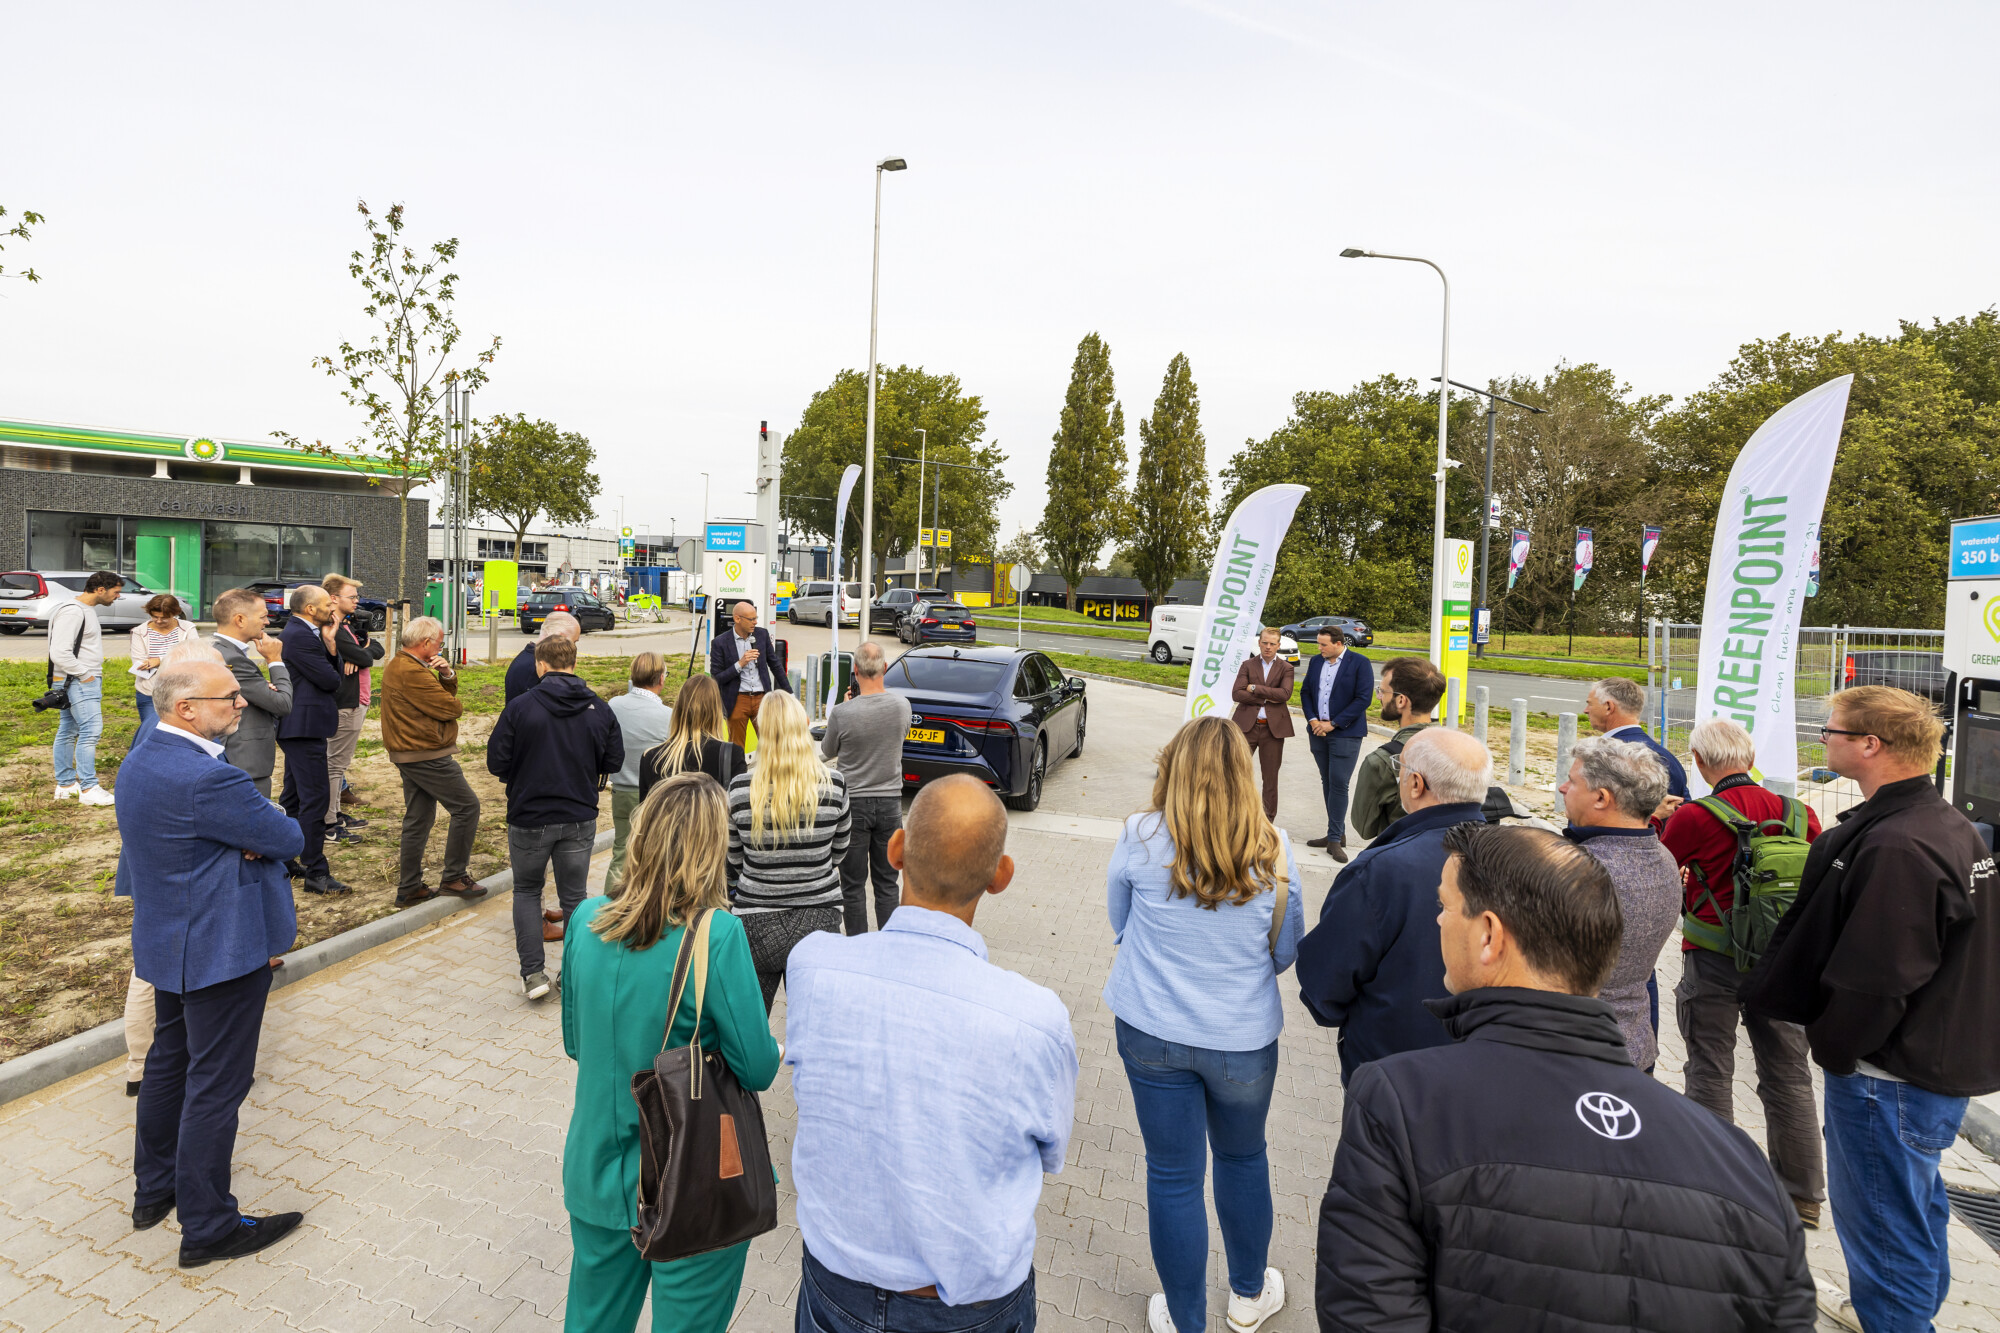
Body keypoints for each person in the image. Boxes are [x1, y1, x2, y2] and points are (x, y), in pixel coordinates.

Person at [1316, 823, 1815, 1330]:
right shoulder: (1740, 1161)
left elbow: (1367, 1312)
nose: (1439, 920)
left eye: (1445, 906)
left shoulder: (1401, 1102)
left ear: (1488, 935)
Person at [1746, 686, 2000, 1331]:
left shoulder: (1899, 846)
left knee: (1886, 1233)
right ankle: (1905, 1311)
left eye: (1831, 731)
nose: (1822, 740)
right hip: (1924, 1068)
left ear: (1870, 745)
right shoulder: (1945, 826)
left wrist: (1836, 1048)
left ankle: (1898, 1319)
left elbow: (1880, 977)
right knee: (1914, 1211)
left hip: (1886, 1078)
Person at [787, 775, 1077, 1333]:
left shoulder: (815, 967)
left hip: (836, 1286)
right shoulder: (1037, 1021)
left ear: (896, 851)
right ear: (1001, 877)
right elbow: (1050, 1151)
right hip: (971, 1306)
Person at [1104, 716, 1305, 1333]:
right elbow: (1285, 950)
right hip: (1242, 1040)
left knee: (1172, 1173)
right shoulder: (1274, 845)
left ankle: (1186, 1318)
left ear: (1173, 768)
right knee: (1244, 1158)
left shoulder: (1139, 835)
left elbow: (1120, 921)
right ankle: (1248, 1296)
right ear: (1246, 774)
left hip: (1151, 1029)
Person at [560, 773, 781, 1332]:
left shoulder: (584, 921)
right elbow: (757, 1067)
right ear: (713, 848)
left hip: (595, 1172)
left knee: (591, 1322)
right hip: (688, 1179)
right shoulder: (716, 935)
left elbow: (575, 1044)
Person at [114, 660, 307, 1267]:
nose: (242, 704)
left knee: (167, 1065)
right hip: (221, 947)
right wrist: (258, 833)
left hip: (168, 939)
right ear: (187, 708)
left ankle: (156, 1191)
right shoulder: (207, 779)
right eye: (229, 698)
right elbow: (290, 838)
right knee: (216, 1085)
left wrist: (244, 837)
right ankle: (209, 1226)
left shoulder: (144, 754)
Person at [1661, 716, 1825, 1228]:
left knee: (1710, 1066)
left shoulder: (1696, 815)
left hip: (1713, 956)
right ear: (1750, 760)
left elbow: (1664, 868)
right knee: (1789, 1073)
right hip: (1781, 964)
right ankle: (1802, 1196)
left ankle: (1716, 1186)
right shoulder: (1799, 814)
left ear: (1701, 763)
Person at [1296, 727, 1490, 1083]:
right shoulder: (1528, 860)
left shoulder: (1379, 871)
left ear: (1415, 784)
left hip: (1390, 1080)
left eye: (1399, 767)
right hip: (1489, 1075)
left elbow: (1323, 986)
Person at [121, 638, 229, 1097]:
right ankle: (144, 1064)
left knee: (157, 965)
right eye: (220, 681)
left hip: (167, 857)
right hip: (170, 864)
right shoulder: (168, 736)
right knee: (153, 971)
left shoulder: (188, 732)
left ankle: (153, 1063)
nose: (234, 696)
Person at [489, 633, 623, 999]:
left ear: (540, 665)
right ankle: (572, 974)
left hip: (529, 814)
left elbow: (495, 761)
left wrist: (521, 773)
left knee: (528, 890)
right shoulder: (600, 708)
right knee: (575, 898)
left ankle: (533, 975)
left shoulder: (519, 707)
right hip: (579, 814)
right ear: (574, 664)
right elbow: (614, 761)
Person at [1557, 736, 1680, 1072]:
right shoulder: (1662, 856)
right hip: (1634, 1042)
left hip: (1577, 1055)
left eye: (1572, 781)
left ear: (1601, 798)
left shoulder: (1581, 869)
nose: (1561, 787)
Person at [727, 690, 848, 1010]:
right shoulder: (835, 785)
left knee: (748, 1031)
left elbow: (735, 859)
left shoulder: (740, 789)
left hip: (755, 924)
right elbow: (839, 853)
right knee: (814, 1030)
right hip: (819, 920)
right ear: (803, 726)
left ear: (762, 731)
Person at [380, 616, 488, 909]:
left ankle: (410, 887)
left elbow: (442, 698)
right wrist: (446, 686)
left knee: (418, 819)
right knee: (467, 808)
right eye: (439, 642)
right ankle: (454, 877)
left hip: (412, 752)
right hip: (426, 753)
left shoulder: (407, 666)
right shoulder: (411, 672)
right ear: (426, 643)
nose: (441, 646)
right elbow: (451, 708)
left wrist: (447, 674)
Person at [820, 640, 912, 933]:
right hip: (889, 806)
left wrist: (845, 707)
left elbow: (827, 749)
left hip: (853, 807)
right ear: (884, 668)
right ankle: (887, 948)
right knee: (887, 884)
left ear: (855, 671)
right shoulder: (902, 706)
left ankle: (857, 948)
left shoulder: (842, 713)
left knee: (852, 886)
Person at [277, 585, 347, 894]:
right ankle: (316, 870)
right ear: (310, 610)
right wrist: (330, 652)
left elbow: (329, 673)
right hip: (302, 727)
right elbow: (332, 680)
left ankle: (284, 858)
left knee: (293, 797)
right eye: (326, 604)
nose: (332, 609)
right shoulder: (299, 636)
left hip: (300, 725)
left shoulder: (307, 633)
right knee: (316, 798)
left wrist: (330, 644)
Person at [1347, 656, 1447, 844]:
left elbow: (1364, 827)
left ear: (1401, 700)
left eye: (1382, 691)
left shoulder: (1381, 761)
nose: (1379, 697)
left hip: (1400, 856)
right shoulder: (1462, 750)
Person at [1298, 625, 1373, 863]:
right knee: (1327, 781)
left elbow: (1363, 698)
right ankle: (1336, 834)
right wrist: (1313, 720)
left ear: (1339, 644)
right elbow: (1306, 693)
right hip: (1317, 732)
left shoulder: (1360, 663)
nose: (1319, 648)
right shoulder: (1317, 662)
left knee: (1339, 783)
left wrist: (1334, 723)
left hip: (1346, 734)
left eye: (1323, 644)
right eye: (1318, 644)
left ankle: (1334, 840)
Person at [49, 569, 121, 806]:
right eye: (115, 592)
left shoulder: (81, 610)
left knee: (68, 730)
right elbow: (59, 652)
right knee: (90, 731)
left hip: (73, 680)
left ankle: (66, 785)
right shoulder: (73, 611)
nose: (117, 597)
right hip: (78, 681)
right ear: (100, 589)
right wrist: (86, 675)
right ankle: (89, 788)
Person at [211, 588, 293, 798]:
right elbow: (282, 703)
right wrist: (275, 660)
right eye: (263, 616)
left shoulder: (221, 651)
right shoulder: (233, 659)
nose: (267, 622)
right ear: (240, 619)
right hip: (245, 760)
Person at [322, 575, 383, 845]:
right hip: (346, 704)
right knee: (334, 765)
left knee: (338, 764)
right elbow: (364, 655)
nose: (357, 601)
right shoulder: (331, 627)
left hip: (356, 700)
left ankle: (335, 812)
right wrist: (360, 655)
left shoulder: (347, 625)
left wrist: (362, 653)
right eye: (352, 597)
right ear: (334, 599)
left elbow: (375, 650)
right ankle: (329, 822)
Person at [604, 652, 673, 894]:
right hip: (655, 796)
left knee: (621, 851)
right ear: (661, 679)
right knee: (656, 854)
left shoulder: (614, 705)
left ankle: (610, 904)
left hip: (621, 790)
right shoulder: (667, 716)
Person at [1585, 676, 1688, 802]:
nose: (1586, 710)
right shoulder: (1669, 760)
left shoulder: (1604, 757)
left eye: (1589, 704)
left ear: (1608, 707)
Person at [640, 674, 744, 799]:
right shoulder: (731, 754)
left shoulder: (651, 757)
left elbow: (646, 814)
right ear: (716, 710)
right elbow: (738, 810)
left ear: (678, 709)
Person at [1230, 627, 1294, 821]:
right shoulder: (1247, 665)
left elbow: (1285, 694)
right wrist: (1267, 697)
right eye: (1265, 642)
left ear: (1278, 645)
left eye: (1272, 644)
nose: (1268, 647)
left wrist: (1255, 688)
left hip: (1272, 730)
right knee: (1236, 773)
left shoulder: (1286, 668)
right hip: (1245, 727)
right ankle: (1235, 816)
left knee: (1270, 778)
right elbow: (1237, 693)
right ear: (1259, 642)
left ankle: (1267, 820)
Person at [710, 598, 793, 749]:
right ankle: (738, 772)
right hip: (737, 700)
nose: (755, 622)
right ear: (737, 619)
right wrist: (739, 664)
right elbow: (716, 678)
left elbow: (775, 664)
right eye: (751, 619)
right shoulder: (720, 642)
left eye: (756, 618)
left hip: (762, 698)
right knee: (736, 747)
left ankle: (770, 772)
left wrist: (789, 694)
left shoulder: (761, 635)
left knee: (770, 745)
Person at [127, 594, 199, 752]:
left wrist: (159, 660)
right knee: (150, 734)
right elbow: (139, 663)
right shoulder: (140, 632)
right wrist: (174, 659)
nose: (158, 621)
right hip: (149, 692)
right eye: (155, 617)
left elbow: (193, 655)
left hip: (182, 692)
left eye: (164, 618)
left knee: (184, 734)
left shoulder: (187, 629)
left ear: (174, 614)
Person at [505, 610, 581, 704]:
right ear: (559, 637)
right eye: (574, 642)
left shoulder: (526, 658)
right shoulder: (536, 666)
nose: (574, 648)